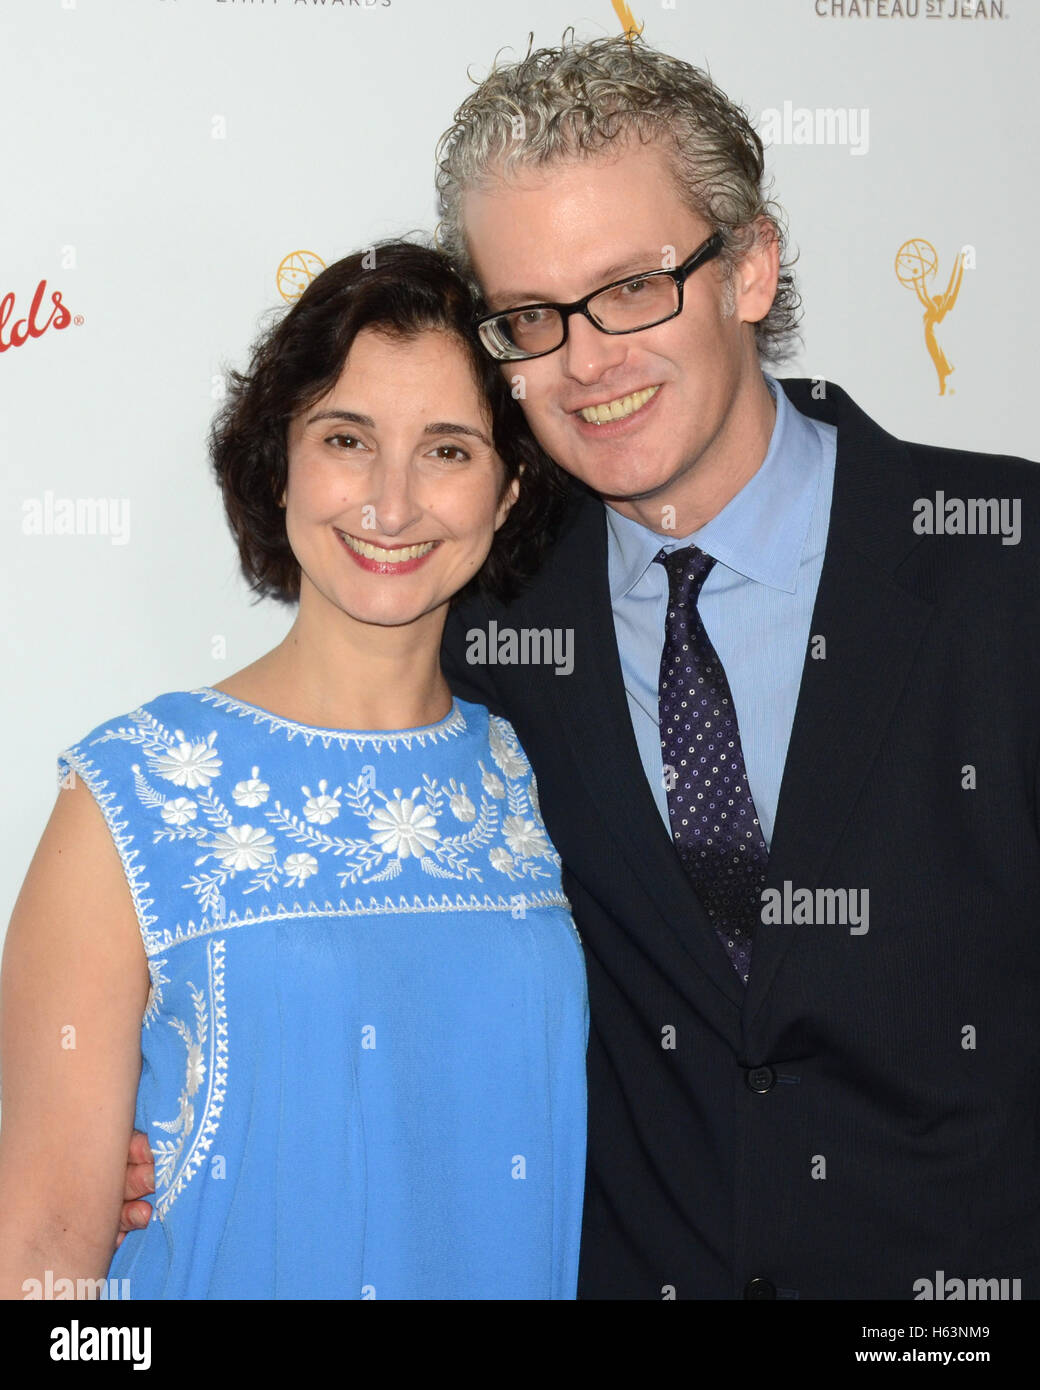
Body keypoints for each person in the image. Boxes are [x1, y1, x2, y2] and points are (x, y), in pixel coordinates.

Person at [118, 31, 1039, 1301]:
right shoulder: (471, 618)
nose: (587, 359)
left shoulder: (1002, 565)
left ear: (751, 266)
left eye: (631, 289)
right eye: (532, 316)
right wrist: (148, 1121)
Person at [0, 241, 587, 1300]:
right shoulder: (131, 794)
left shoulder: (539, 775)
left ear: (508, 492)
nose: (391, 501)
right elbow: (41, 1257)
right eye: (347, 438)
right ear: (280, 462)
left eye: (448, 449)